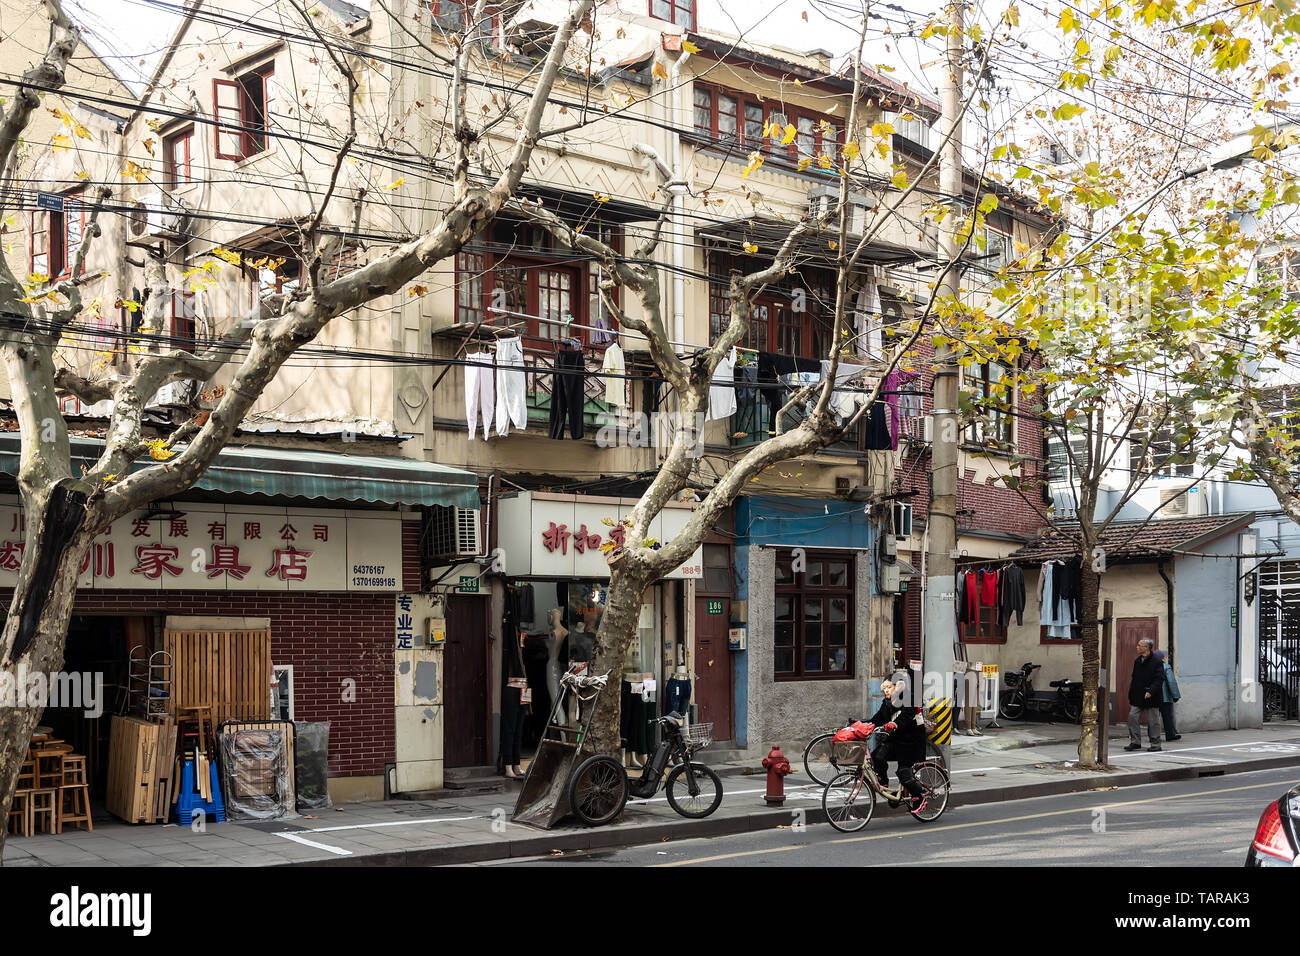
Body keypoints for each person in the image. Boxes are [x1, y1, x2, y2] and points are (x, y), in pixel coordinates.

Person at [864, 678, 929, 808]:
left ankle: (919, 797)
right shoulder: (887, 703)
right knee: (878, 756)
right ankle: (884, 783)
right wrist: (860, 724)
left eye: (889, 687)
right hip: (896, 739)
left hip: (912, 740)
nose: (886, 690)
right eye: (884, 688)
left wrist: (895, 723)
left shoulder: (909, 697)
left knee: (903, 772)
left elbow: (907, 715)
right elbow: (877, 719)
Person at [1124, 638, 1165, 752]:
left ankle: (1156, 744)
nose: (1137, 647)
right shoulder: (1137, 661)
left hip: (1151, 697)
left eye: (1139, 645)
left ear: (1146, 647)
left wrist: (1151, 691)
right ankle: (1135, 742)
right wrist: (1131, 693)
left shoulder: (1157, 661)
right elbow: (1135, 678)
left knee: (1153, 722)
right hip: (1137, 696)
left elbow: (1159, 678)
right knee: (1132, 717)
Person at [1154, 649, 1181, 741]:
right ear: (1162, 658)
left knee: (1153, 717)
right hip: (1164, 697)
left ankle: (1152, 736)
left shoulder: (1150, 667)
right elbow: (1171, 682)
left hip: (1153, 696)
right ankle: (1170, 735)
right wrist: (1176, 695)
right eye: (1164, 657)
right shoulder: (1166, 667)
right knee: (1167, 717)